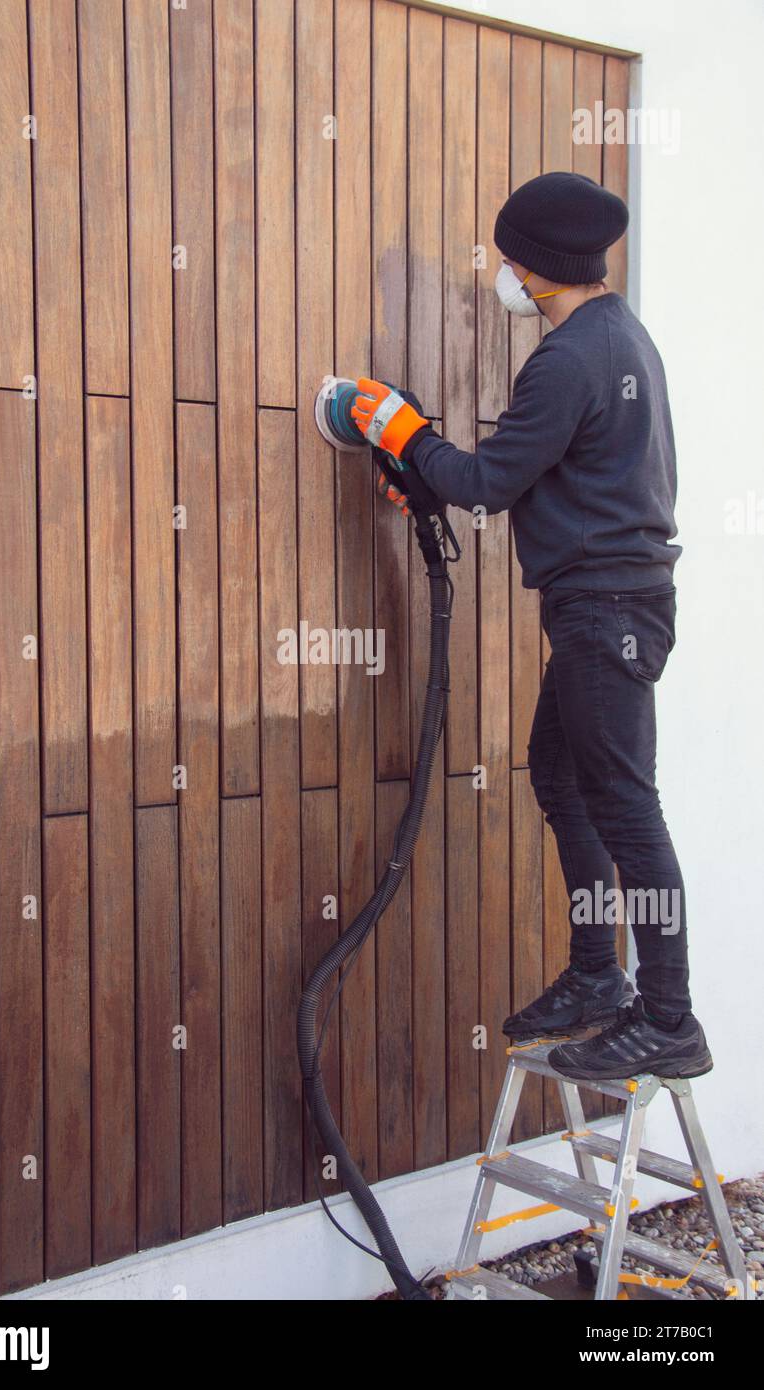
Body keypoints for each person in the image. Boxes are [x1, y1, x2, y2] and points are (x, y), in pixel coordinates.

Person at [350, 170, 712, 1082]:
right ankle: (598, 975)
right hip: (610, 603)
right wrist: (425, 467)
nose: (502, 270)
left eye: (510, 256)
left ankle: (669, 1017)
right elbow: (535, 470)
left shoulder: (569, 358)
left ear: (540, 266)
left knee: (627, 808)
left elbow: (487, 482)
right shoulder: (619, 337)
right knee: (561, 774)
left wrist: (400, 430)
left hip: (604, 608)